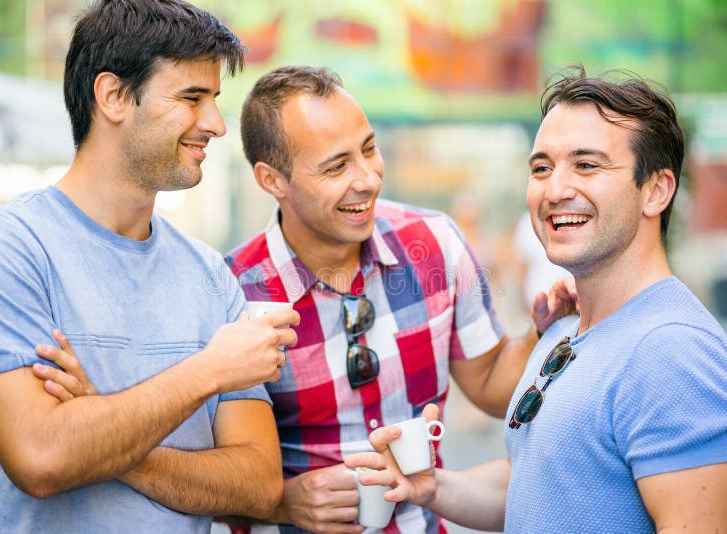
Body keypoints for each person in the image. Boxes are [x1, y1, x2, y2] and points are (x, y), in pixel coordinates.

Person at [347, 66, 727, 533]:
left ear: (656, 190)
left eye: (587, 165)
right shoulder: (565, 330)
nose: (555, 190)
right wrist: (431, 487)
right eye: (542, 168)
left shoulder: (673, 353)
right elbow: (538, 482)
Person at [0, 1, 299, 532]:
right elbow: (42, 458)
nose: (214, 125)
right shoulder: (5, 248)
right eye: (191, 98)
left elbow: (257, 486)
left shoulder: (209, 274)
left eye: (214, 100)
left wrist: (99, 426)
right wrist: (209, 370)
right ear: (113, 96)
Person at [223, 65, 576, 533]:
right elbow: (193, 478)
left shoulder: (435, 243)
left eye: (369, 149)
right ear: (272, 180)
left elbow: (491, 383)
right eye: (336, 166)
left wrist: (544, 333)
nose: (368, 179)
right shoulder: (232, 293)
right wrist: (279, 504)